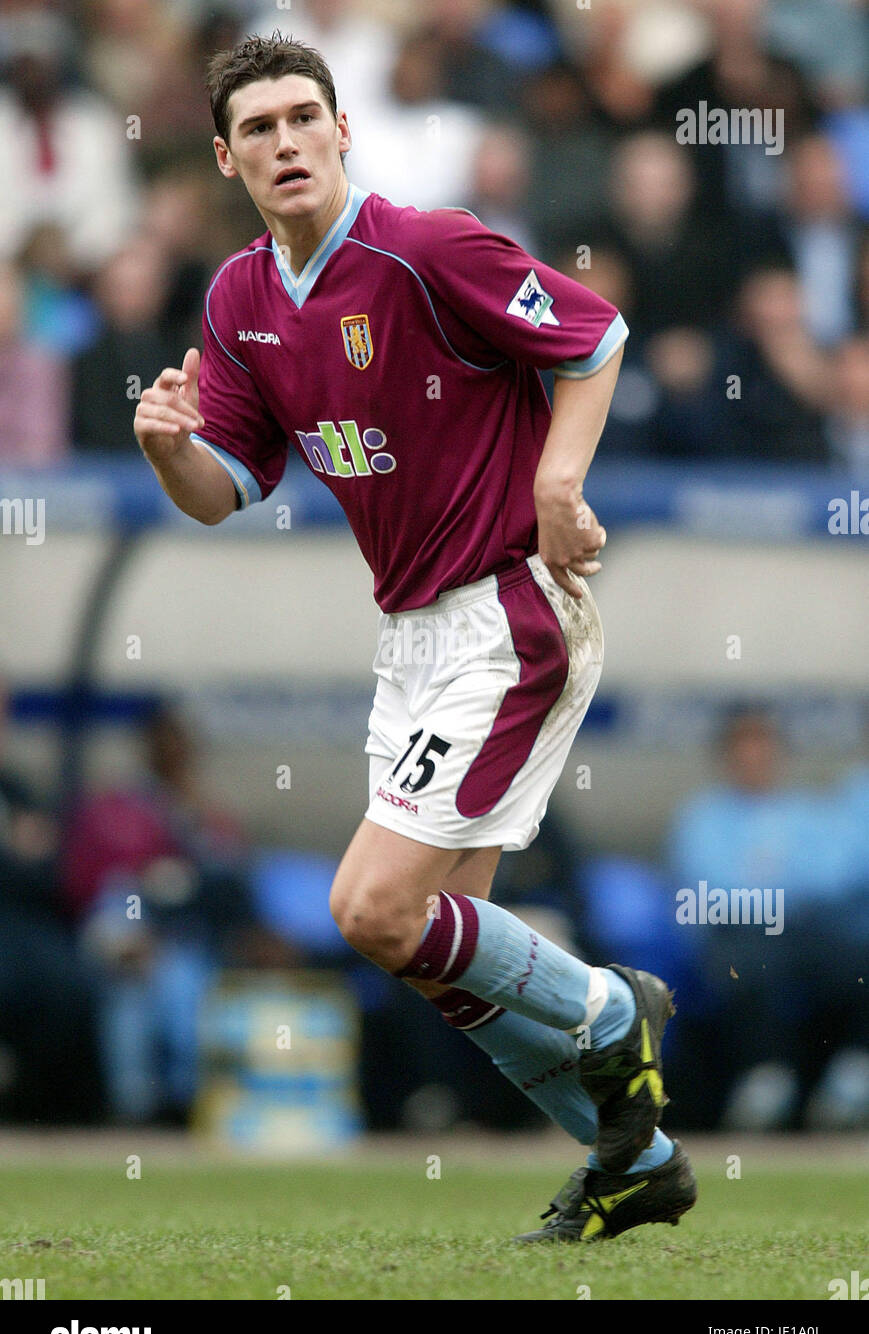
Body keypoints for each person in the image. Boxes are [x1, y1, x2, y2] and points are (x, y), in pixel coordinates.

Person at [132, 32, 696, 1243]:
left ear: (344, 131)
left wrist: (556, 481)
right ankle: (636, 1160)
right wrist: (169, 445)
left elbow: (593, 337)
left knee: (370, 910)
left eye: (304, 117)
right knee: (445, 963)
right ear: (227, 157)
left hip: (507, 611)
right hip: (412, 635)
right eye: (260, 128)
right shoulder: (240, 299)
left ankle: (611, 1011)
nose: (286, 141)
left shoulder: (426, 246)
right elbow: (228, 488)